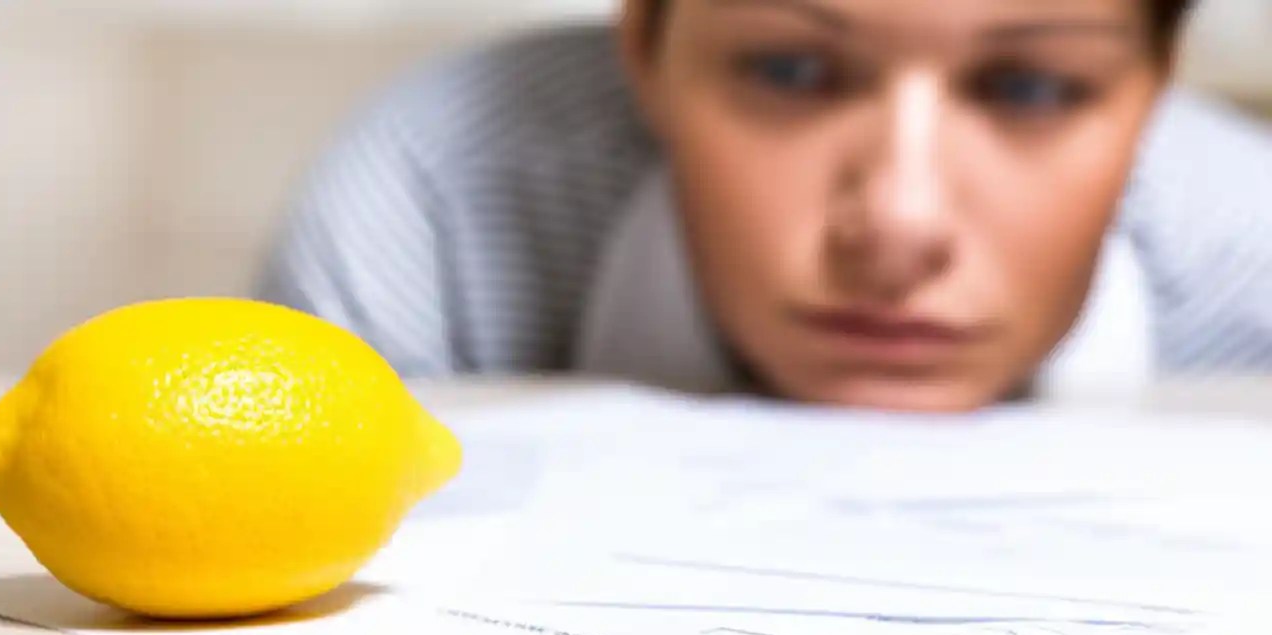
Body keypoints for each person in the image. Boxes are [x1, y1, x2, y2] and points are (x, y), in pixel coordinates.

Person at [258, 0, 1272, 412]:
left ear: (1154, 85)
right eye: (789, 70)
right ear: (644, 50)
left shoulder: (1246, 255)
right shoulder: (437, 205)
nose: (897, 227)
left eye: (1032, 89)